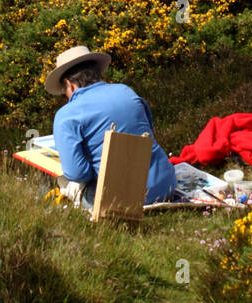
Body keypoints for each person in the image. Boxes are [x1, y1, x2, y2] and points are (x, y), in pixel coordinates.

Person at [45, 46, 177, 210]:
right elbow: (148, 134)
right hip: (165, 185)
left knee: (64, 183)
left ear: (69, 84)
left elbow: (77, 173)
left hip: (119, 199)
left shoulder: (66, 115)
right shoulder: (126, 91)